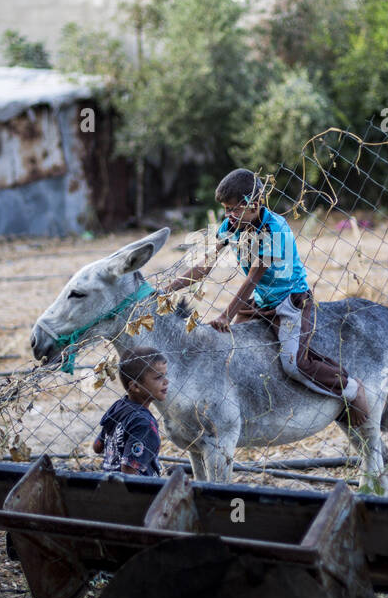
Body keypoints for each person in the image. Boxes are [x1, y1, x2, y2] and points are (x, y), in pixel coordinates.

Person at [166, 168, 370, 428]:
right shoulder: (231, 226)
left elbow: (254, 277)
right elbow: (204, 267)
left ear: (254, 203)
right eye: (226, 210)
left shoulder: (275, 230)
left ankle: (350, 388)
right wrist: (166, 290)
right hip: (261, 302)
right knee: (233, 353)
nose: (228, 215)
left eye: (233, 209)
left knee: (294, 363)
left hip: (290, 301)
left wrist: (226, 315)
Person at [93, 346, 168, 476]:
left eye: (165, 375)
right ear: (135, 386)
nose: (166, 381)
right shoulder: (144, 424)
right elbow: (129, 472)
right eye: (158, 377)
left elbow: (97, 446)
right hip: (136, 493)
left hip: (108, 484)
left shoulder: (118, 407)